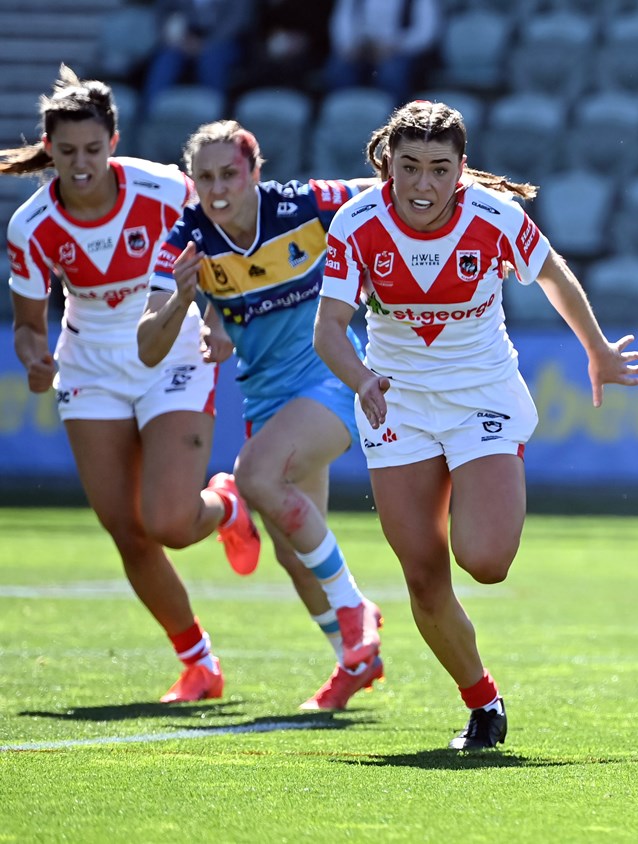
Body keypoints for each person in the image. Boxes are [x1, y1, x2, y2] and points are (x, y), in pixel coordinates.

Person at [314, 100, 638, 749]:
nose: (423, 185)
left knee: (486, 561)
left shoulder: (494, 217)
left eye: (440, 168)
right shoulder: (356, 223)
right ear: (388, 165)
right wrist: (361, 380)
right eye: (409, 167)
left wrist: (597, 349)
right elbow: (328, 328)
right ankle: (483, 703)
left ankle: (484, 474)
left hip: (483, 397)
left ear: (463, 170)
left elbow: (552, 273)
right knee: (423, 577)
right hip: (395, 402)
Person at [3, 65, 260, 704]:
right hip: (90, 366)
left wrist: (221, 314)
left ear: (113, 142)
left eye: (92, 149)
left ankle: (227, 504)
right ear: (49, 150)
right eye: (66, 153)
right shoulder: (32, 228)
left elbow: (229, 239)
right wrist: (35, 359)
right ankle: (198, 663)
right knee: (128, 530)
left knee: (170, 520)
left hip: (174, 347)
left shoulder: (165, 189)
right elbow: (30, 326)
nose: (80, 164)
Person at [136, 120, 389, 710]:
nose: (218, 188)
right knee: (293, 552)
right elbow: (148, 346)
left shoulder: (305, 204)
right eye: (205, 177)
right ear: (191, 182)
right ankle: (353, 658)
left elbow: (386, 192)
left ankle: (354, 609)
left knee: (255, 477)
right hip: (268, 398)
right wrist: (184, 300)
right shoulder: (186, 242)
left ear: (255, 171)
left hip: (333, 377)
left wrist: (469, 194)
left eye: (230, 174)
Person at [141, 0, 256, 114]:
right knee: (165, 61)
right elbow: (161, 12)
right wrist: (173, 38)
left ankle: (216, 118)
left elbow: (237, 20)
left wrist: (204, 44)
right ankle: (148, 115)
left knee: (212, 61)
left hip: (221, 40)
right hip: (182, 39)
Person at [324, 0, 442, 104]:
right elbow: (342, 21)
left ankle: (393, 120)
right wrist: (349, 46)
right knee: (339, 68)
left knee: (391, 73)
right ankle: (342, 116)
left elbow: (425, 34)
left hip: (399, 51)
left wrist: (394, 46)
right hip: (361, 48)